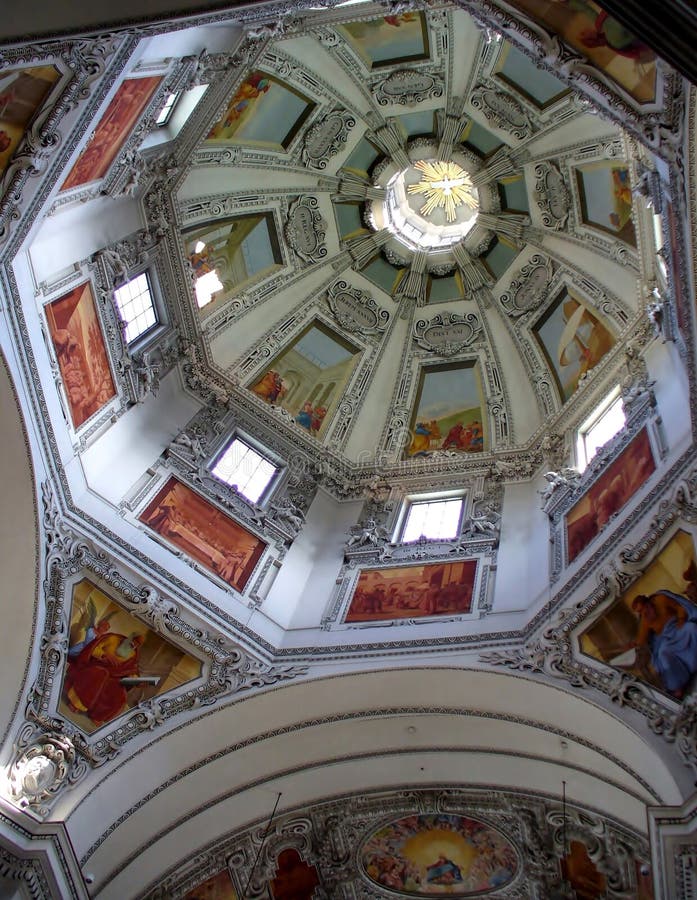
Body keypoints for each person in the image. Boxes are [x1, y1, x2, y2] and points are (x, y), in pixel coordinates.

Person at [64, 631, 146, 726]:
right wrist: (104, 655)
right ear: (130, 637)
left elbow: (130, 670)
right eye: (135, 640)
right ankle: (76, 703)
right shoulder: (112, 639)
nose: (134, 644)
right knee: (101, 674)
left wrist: (136, 680)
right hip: (95, 665)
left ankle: (98, 716)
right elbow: (93, 648)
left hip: (113, 676)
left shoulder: (133, 655)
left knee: (121, 693)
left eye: (138, 644)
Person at [630, 592, 697, 698]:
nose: (645, 613)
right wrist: (634, 644)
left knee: (691, 628)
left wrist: (681, 619)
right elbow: (642, 638)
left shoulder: (661, 600)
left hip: (678, 627)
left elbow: (679, 607)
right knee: (663, 654)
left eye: (645, 608)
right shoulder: (645, 619)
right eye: (640, 612)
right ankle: (678, 685)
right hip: (667, 639)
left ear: (649, 603)